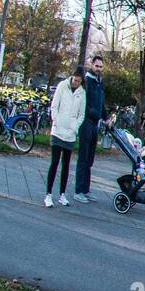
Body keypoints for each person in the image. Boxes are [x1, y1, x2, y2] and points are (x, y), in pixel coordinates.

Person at [44, 67, 86, 208]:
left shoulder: (82, 93)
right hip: (58, 131)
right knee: (54, 162)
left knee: (66, 164)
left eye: (79, 81)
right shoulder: (62, 86)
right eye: (75, 80)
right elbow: (54, 106)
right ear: (71, 77)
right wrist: (56, 120)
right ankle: (48, 194)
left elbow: (81, 115)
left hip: (70, 134)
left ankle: (62, 194)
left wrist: (75, 127)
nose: (76, 83)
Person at [72, 55, 109, 203]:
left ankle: (85, 190)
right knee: (83, 157)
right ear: (92, 65)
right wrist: (93, 113)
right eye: (97, 66)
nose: (99, 69)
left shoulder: (99, 82)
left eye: (101, 66)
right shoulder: (86, 81)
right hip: (86, 123)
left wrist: (106, 118)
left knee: (89, 160)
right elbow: (83, 103)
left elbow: (102, 103)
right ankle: (78, 191)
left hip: (95, 124)